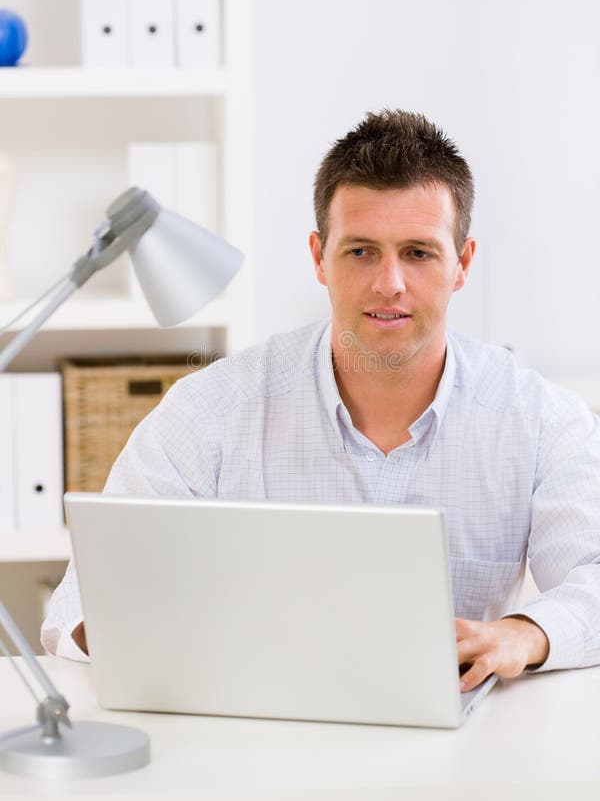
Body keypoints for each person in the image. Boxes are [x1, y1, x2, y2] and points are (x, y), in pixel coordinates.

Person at [42, 109, 600, 693]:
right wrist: (146, 628)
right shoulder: (209, 411)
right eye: (361, 251)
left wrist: (525, 632)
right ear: (318, 257)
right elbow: (77, 604)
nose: (389, 283)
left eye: (418, 252)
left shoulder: (539, 418)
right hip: (255, 735)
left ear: (462, 263)